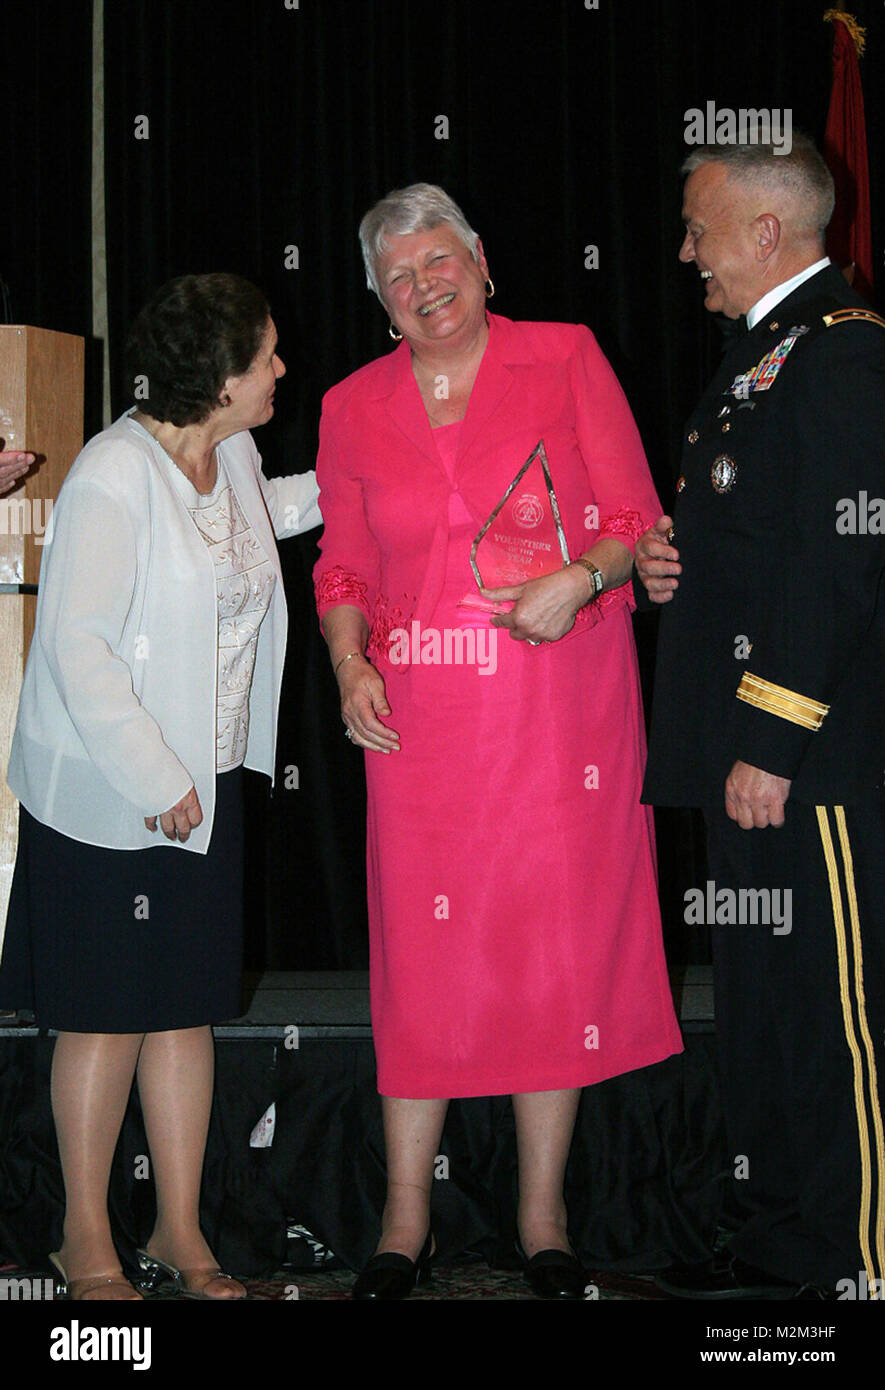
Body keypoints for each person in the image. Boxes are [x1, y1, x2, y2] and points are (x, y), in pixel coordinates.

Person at [314, 183, 683, 1300]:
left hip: (561, 706)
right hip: (419, 719)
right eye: (400, 277)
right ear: (381, 303)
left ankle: (542, 1219)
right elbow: (344, 563)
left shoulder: (565, 357)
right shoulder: (350, 402)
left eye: (440, 261)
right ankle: (404, 1220)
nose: (425, 286)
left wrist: (580, 579)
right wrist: (347, 660)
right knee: (421, 963)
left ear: (481, 260)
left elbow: (633, 519)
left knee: (549, 951)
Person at [0, 273, 321, 1300]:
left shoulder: (228, 449)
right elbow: (78, 649)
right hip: (111, 794)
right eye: (267, 356)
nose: (281, 368)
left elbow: (251, 523)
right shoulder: (108, 473)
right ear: (222, 377)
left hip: (207, 783)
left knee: (182, 1010)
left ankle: (182, 1233)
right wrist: (154, 772)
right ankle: (84, 1239)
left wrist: (348, 488)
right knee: (104, 1014)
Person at [635, 137, 885, 1298]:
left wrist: (774, 741)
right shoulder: (762, 357)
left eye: (698, 227)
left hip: (814, 758)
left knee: (837, 1025)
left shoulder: (840, 356)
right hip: (747, 749)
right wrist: (676, 564)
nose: (686, 250)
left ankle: (857, 1262)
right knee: (767, 1011)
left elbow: (843, 564)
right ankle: (782, 1245)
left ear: (765, 233)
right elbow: (762, 541)